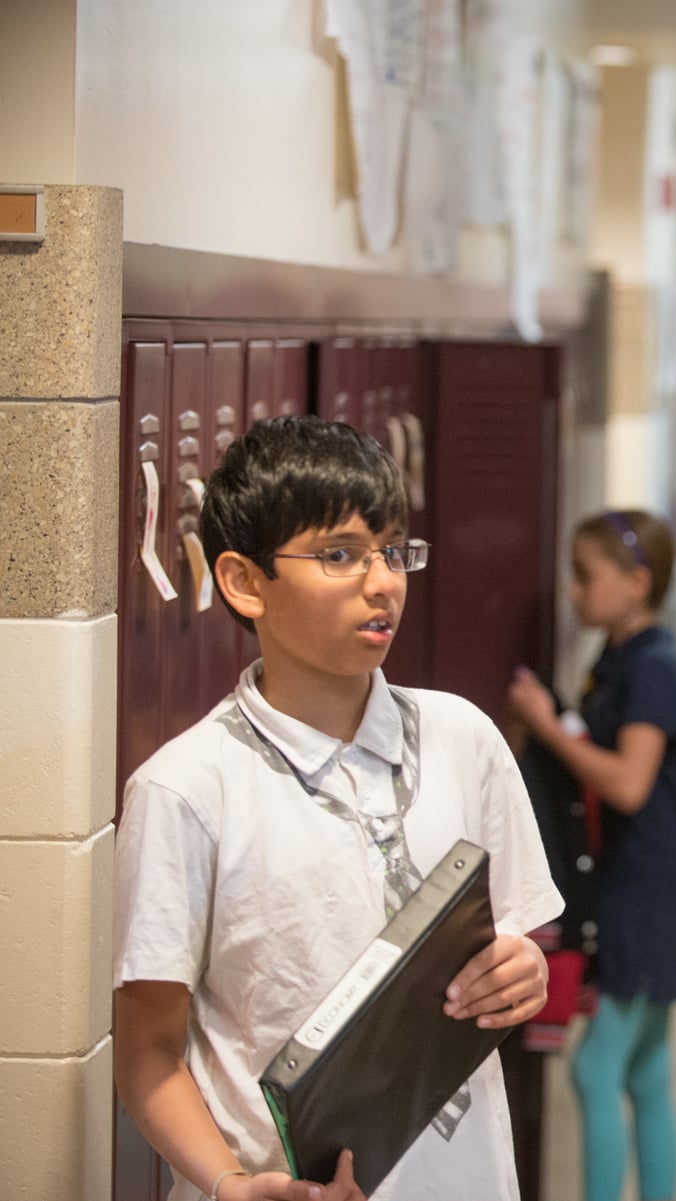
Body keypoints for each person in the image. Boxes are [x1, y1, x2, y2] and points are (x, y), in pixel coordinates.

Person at [113, 416, 563, 1201]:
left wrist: (524, 970)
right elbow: (147, 1051)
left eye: (391, 550)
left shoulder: (463, 737)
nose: (382, 580)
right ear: (244, 581)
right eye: (340, 555)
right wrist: (229, 1183)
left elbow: (517, 943)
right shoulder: (185, 788)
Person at [505, 510, 676, 1201]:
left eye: (585, 576)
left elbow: (627, 782)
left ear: (636, 583)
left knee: (595, 1070)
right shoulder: (618, 661)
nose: (573, 590)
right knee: (645, 1071)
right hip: (641, 882)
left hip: (650, 891)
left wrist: (543, 725)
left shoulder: (654, 669)